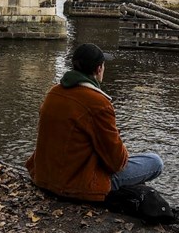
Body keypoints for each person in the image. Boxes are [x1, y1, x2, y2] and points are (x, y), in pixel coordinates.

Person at [26, 43, 163, 202]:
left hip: (44, 177)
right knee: (154, 162)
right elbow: (117, 162)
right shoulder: (98, 103)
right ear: (99, 69)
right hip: (76, 185)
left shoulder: (54, 92)